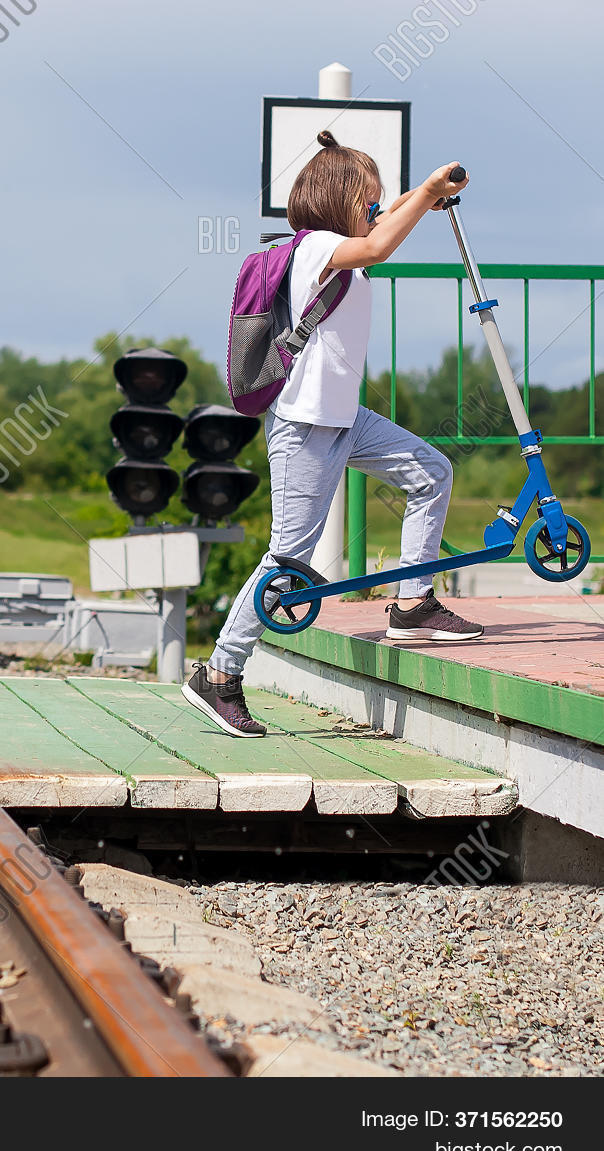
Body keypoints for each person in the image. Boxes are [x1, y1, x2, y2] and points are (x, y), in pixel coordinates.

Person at [183, 131, 482, 739]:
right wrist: (425, 193)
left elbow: (386, 218)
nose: (377, 207)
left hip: (346, 420)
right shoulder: (316, 248)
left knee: (431, 473)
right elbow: (377, 243)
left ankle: (412, 601)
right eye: (367, 198)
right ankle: (218, 674)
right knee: (287, 558)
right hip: (305, 426)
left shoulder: (340, 243)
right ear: (340, 199)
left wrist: (425, 192)